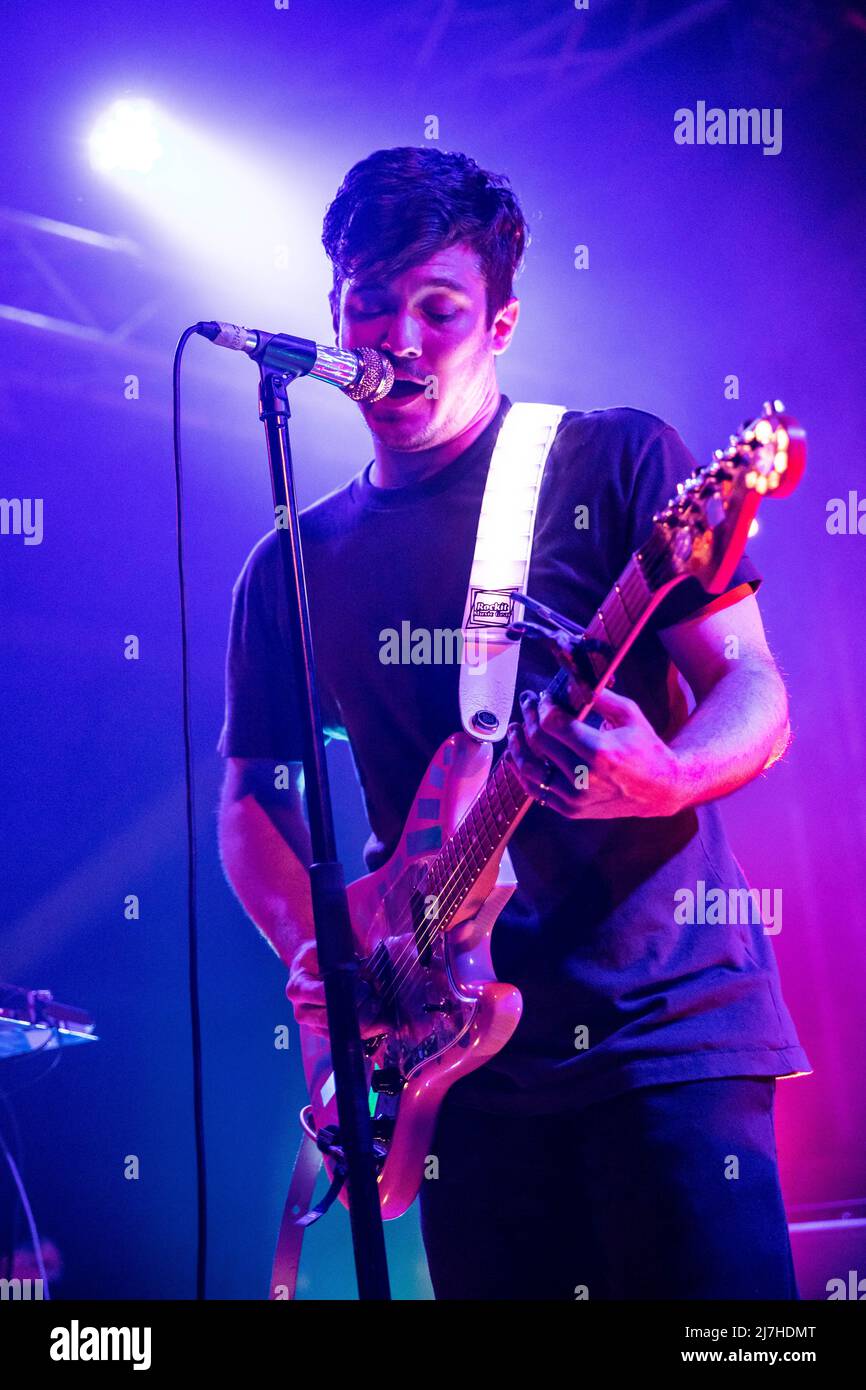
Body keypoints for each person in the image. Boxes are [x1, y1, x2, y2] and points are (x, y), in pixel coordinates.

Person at [216, 146, 811, 1300]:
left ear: (499, 323)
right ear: (332, 314)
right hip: (451, 1070)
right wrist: (319, 952)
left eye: (439, 310)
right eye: (369, 304)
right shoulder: (293, 562)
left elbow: (753, 688)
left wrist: (666, 772)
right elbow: (251, 798)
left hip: (658, 1028)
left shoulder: (612, 457)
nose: (399, 339)